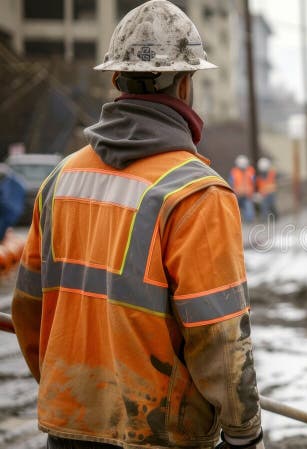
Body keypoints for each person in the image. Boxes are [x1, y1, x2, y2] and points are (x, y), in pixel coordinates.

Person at [11, 2, 264, 448]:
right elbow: (220, 337)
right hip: (159, 434)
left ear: (115, 80)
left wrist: (70, 394)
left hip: (68, 424)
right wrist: (244, 431)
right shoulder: (197, 194)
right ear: (186, 85)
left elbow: (29, 310)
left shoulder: (61, 179)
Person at [230, 155, 256, 223]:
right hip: (238, 195)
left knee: (248, 208)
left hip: (247, 194)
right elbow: (231, 182)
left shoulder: (250, 171)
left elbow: (253, 181)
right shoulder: (234, 172)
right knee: (236, 209)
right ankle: (237, 221)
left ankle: (249, 221)